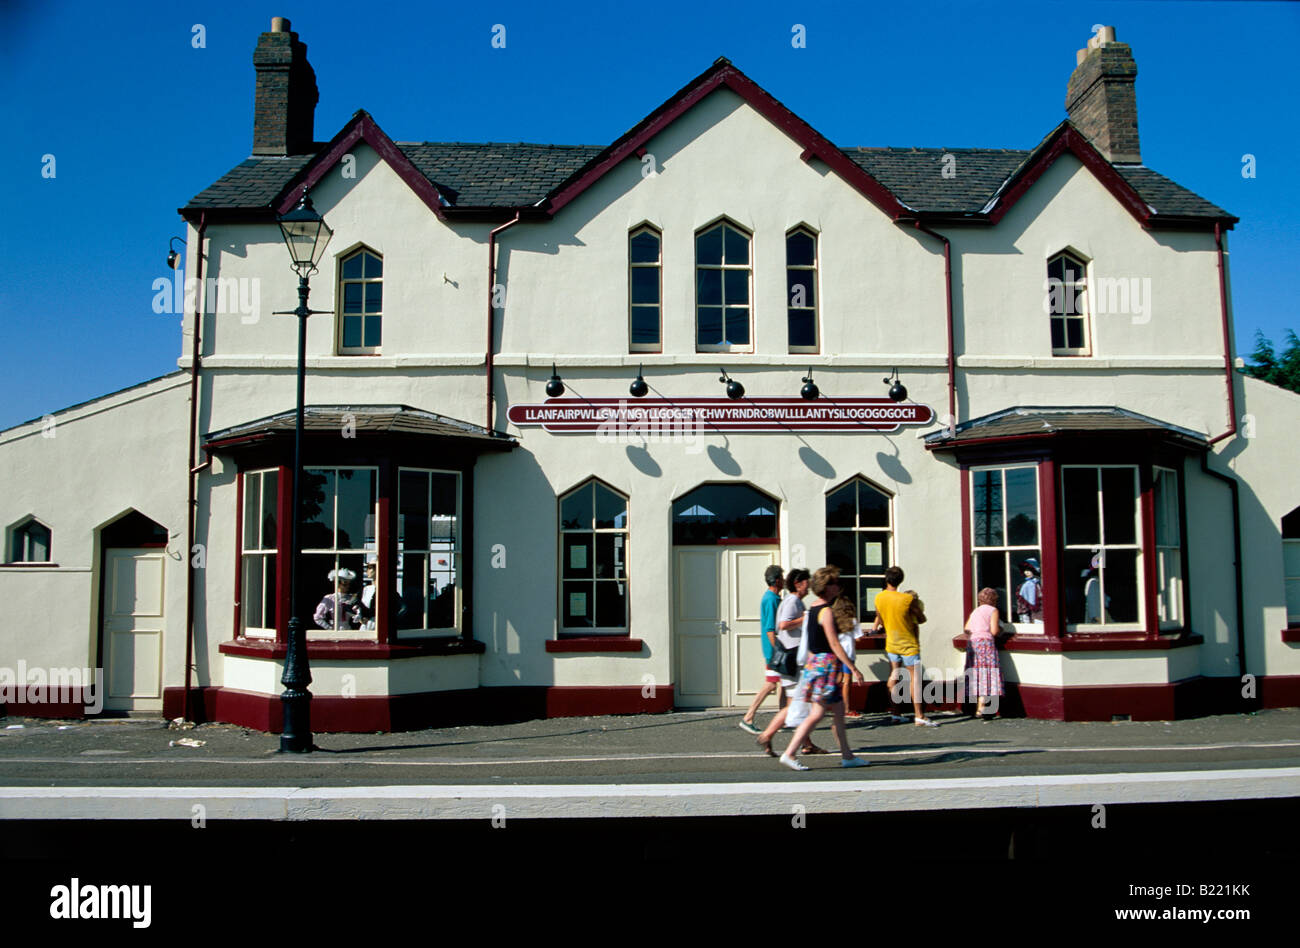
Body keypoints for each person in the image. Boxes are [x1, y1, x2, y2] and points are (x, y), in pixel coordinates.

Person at [778, 566, 867, 771]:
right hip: (825, 665)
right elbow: (834, 643)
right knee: (817, 714)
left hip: (815, 665)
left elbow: (811, 642)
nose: (838, 586)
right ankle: (790, 753)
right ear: (827, 587)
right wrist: (853, 668)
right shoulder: (826, 611)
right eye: (834, 583)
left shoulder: (813, 608)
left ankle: (847, 755)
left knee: (837, 712)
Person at [755, 568, 826, 757]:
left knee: (797, 704)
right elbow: (783, 625)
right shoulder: (792, 601)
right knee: (796, 705)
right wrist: (807, 618)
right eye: (806, 582)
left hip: (793, 660)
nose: (809, 585)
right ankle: (767, 735)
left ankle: (806, 743)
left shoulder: (792, 600)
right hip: (792, 660)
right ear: (798, 583)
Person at [872, 566, 939, 727]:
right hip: (908, 643)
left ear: (886, 579)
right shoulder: (907, 600)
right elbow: (921, 619)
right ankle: (919, 715)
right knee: (914, 679)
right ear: (900, 580)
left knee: (893, 676)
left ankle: (895, 713)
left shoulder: (879, 598)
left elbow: (880, 618)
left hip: (892, 643)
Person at [740, 564, 787, 734]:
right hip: (773, 650)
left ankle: (781, 720)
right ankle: (748, 717)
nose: (784, 580)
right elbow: (770, 629)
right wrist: (779, 651)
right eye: (782, 577)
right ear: (776, 581)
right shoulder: (771, 600)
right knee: (771, 684)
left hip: (774, 649)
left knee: (780, 683)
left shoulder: (772, 598)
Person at [964, 587, 1005, 719]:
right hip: (986, 643)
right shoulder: (993, 610)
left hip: (973, 643)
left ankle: (979, 707)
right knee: (988, 672)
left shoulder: (976, 611)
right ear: (994, 600)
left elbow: (967, 628)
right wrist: (1001, 629)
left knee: (977, 673)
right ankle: (983, 707)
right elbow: (993, 631)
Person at [831, 593, 862, 718]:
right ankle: (846, 708)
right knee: (847, 681)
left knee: (836, 680)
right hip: (849, 654)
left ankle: (831, 704)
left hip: (837, 653)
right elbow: (858, 638)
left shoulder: (835, 621)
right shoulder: (853, 621)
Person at [1016, 558, 1043, 623]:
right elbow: (1022, 606)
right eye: (1025, 570)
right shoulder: (1024, 586)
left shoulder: (1039, 584)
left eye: (1029, 570)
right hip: (1033, 619)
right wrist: (1026, 623)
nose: (1026, 572)